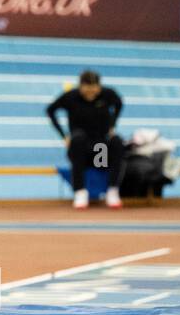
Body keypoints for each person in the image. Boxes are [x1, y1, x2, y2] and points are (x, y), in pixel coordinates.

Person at [46, 70, 125, 210]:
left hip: (100, 155)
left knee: (117, 141)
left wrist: (112, 125)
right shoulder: (71, 97)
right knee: (78, 138)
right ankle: (80, 192)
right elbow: (50, 110)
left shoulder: (107, 94)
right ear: (81, 86)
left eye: (94, 89)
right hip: (80, 152)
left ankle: (112, 191)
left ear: (99, 87)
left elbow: (119, 103)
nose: (91, 93)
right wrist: (64, 136)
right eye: (87, 89)